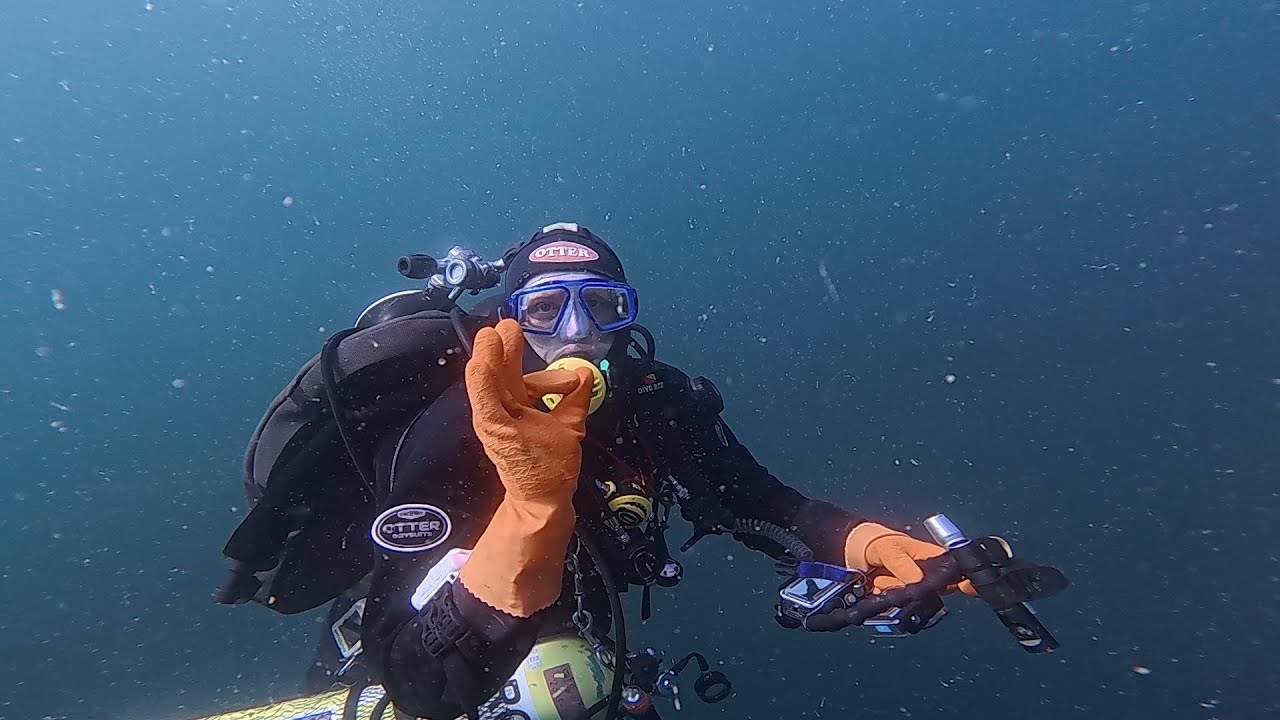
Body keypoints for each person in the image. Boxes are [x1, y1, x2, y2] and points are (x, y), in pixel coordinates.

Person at [217, 222, 976, 720]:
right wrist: (532, 507)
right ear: (503, 322)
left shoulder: (655, 403)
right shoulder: (453, 426)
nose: (579, 334)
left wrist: (865, 544)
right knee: (569, 690)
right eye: (545, 310)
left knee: (587, 684)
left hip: (582, 650)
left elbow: (755, 498)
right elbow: (422, 684)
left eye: (603, 306)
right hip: (407, 662)